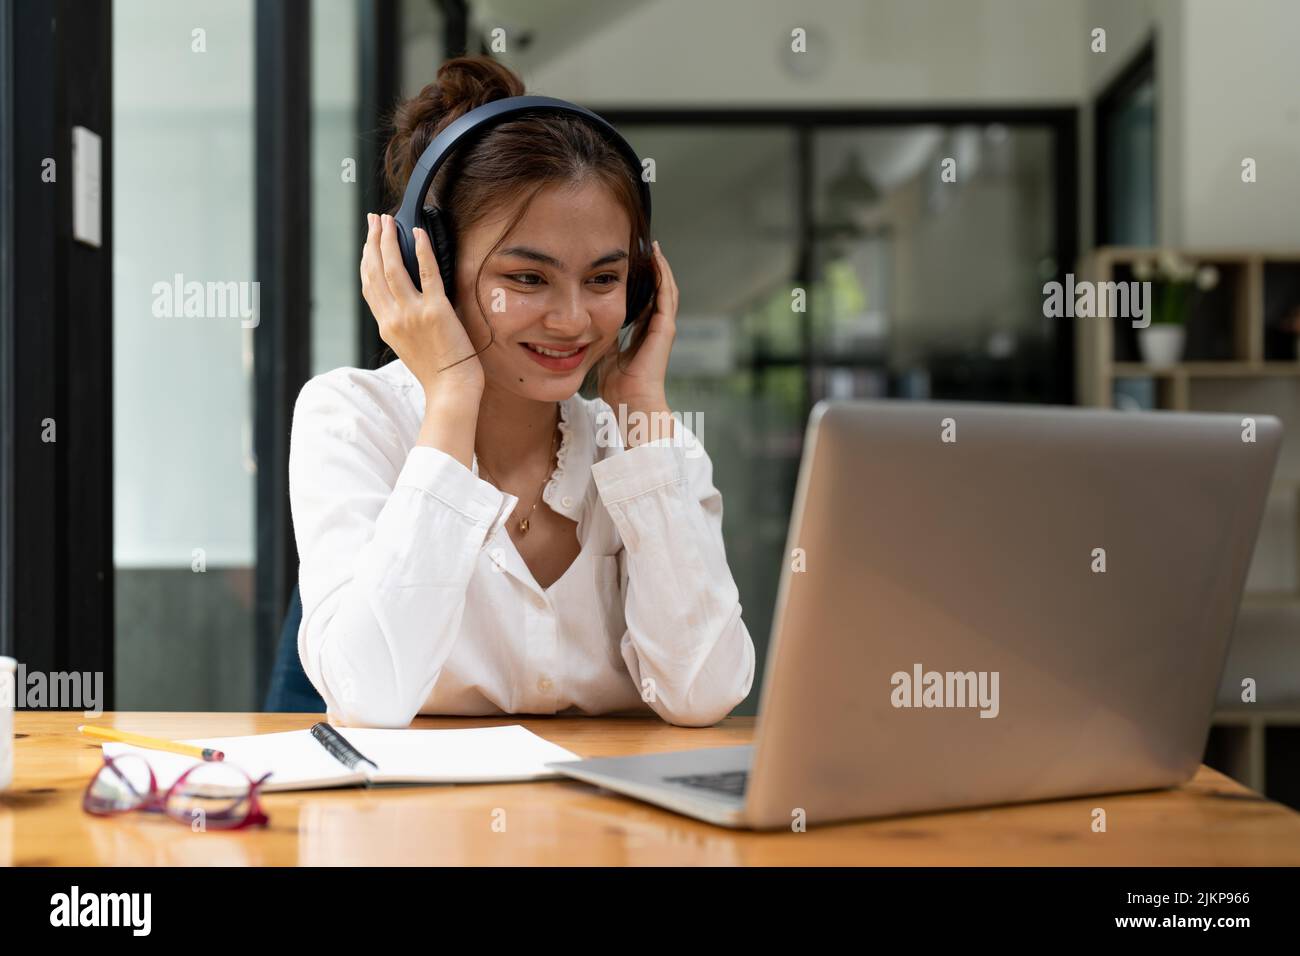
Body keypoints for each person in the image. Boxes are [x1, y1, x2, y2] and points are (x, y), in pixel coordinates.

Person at [288, 55, 755, 728]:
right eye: (529, 279)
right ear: (434, 270)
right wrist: (451, 398)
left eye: (602, 279)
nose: (571, 320)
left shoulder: (644, 445)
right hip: (412, 829)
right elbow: (372, 695)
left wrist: (643, 416)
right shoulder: (351, 418)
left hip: (609, 825)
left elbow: (705, 692)